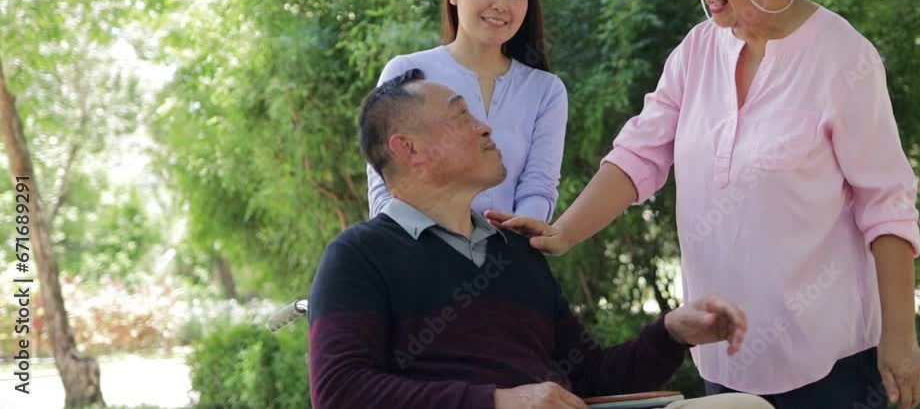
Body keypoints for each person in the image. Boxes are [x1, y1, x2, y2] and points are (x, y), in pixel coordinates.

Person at [486, 0, 920, 409]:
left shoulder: (845, 60)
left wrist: (900, 340)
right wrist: (562, 233)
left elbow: (886, 206)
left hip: (830, 360)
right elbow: (640, 153)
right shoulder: (698, 50)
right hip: (726, 353)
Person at [309, 69, 773, 409]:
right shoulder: (358, 256)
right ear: (408, 149)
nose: (484, 127)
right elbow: (340, 392)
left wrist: (671, 334)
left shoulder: (515, 251)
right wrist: (496, 402)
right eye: (460, 117)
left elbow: (590, 376)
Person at [366, 0, 567, 222]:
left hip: (509, 257)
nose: (501, 3)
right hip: (417, 258)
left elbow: (539, 187)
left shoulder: (546, 91)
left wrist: (517, 241)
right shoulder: (407, 74)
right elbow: (386, 189)